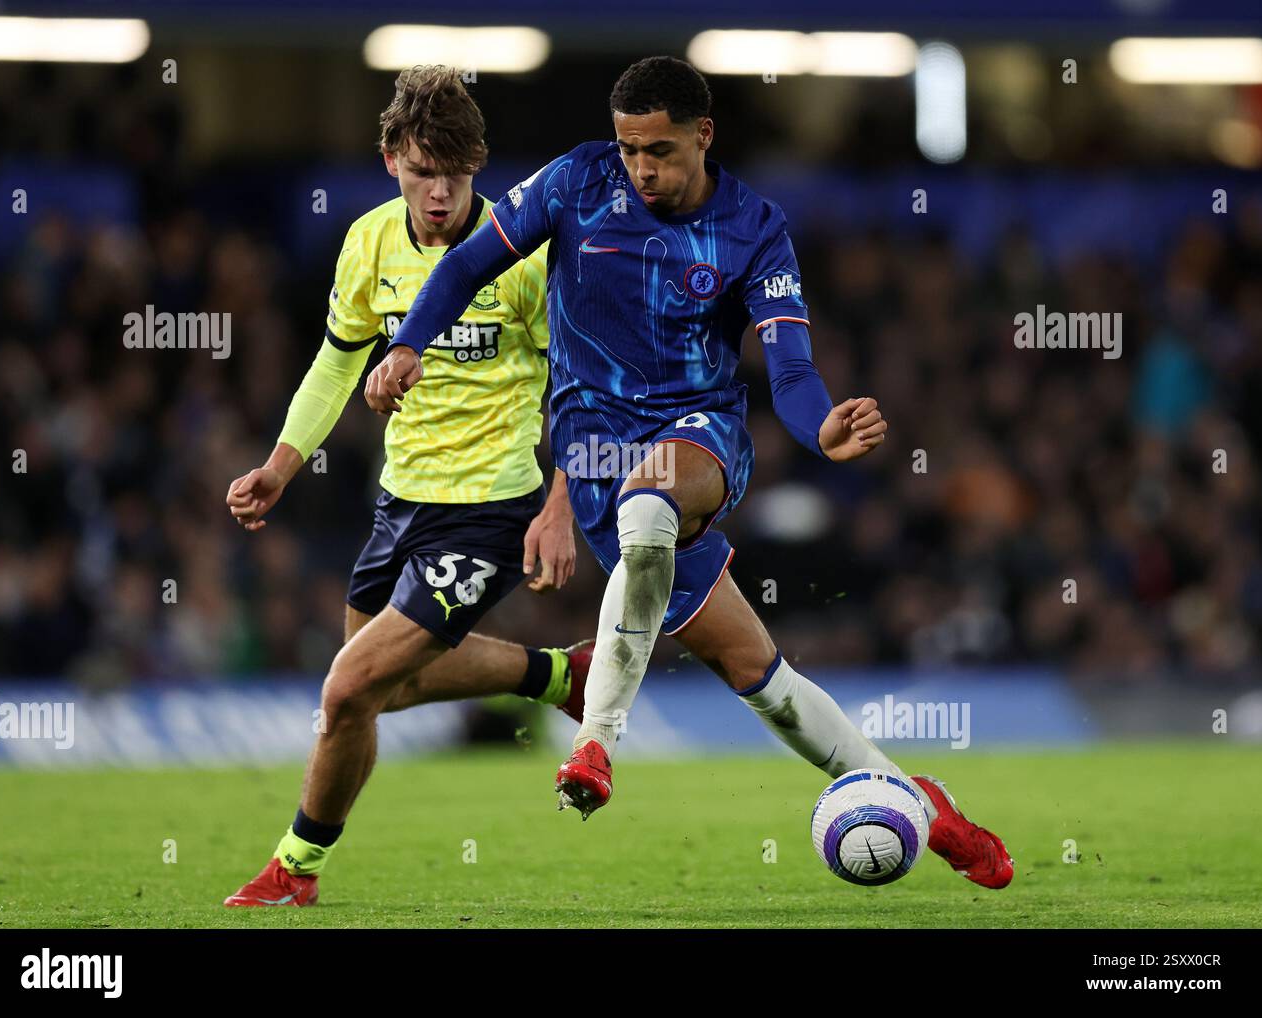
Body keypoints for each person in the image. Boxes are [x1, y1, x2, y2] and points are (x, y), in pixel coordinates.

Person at [366, 56, 1011, 889]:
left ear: (703, 136)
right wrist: (410, 342)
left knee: (649, 507)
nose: (642, 170)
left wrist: (821, 427)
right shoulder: (574, 183)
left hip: (697, 434)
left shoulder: (755, 227)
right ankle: (919, 801)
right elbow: (462, 267)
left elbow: (787, 367)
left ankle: (596, 742)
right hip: (593, 446)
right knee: (763, 681)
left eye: (661, 152)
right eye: (630, 149)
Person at [222, 66, 592, 908]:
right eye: (424, 172)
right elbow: (334, 361)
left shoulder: (523, 256)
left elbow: (579, 388)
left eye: (455, 176)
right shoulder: (368, 243)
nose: (438, 193)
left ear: (479, 167)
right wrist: (281, 463)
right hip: (401, 502)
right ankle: (557, 678)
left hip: (491, 507)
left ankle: (292, 867)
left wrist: (561, 503)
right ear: (392, 159)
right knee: (379, 693)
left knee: (346, 685)